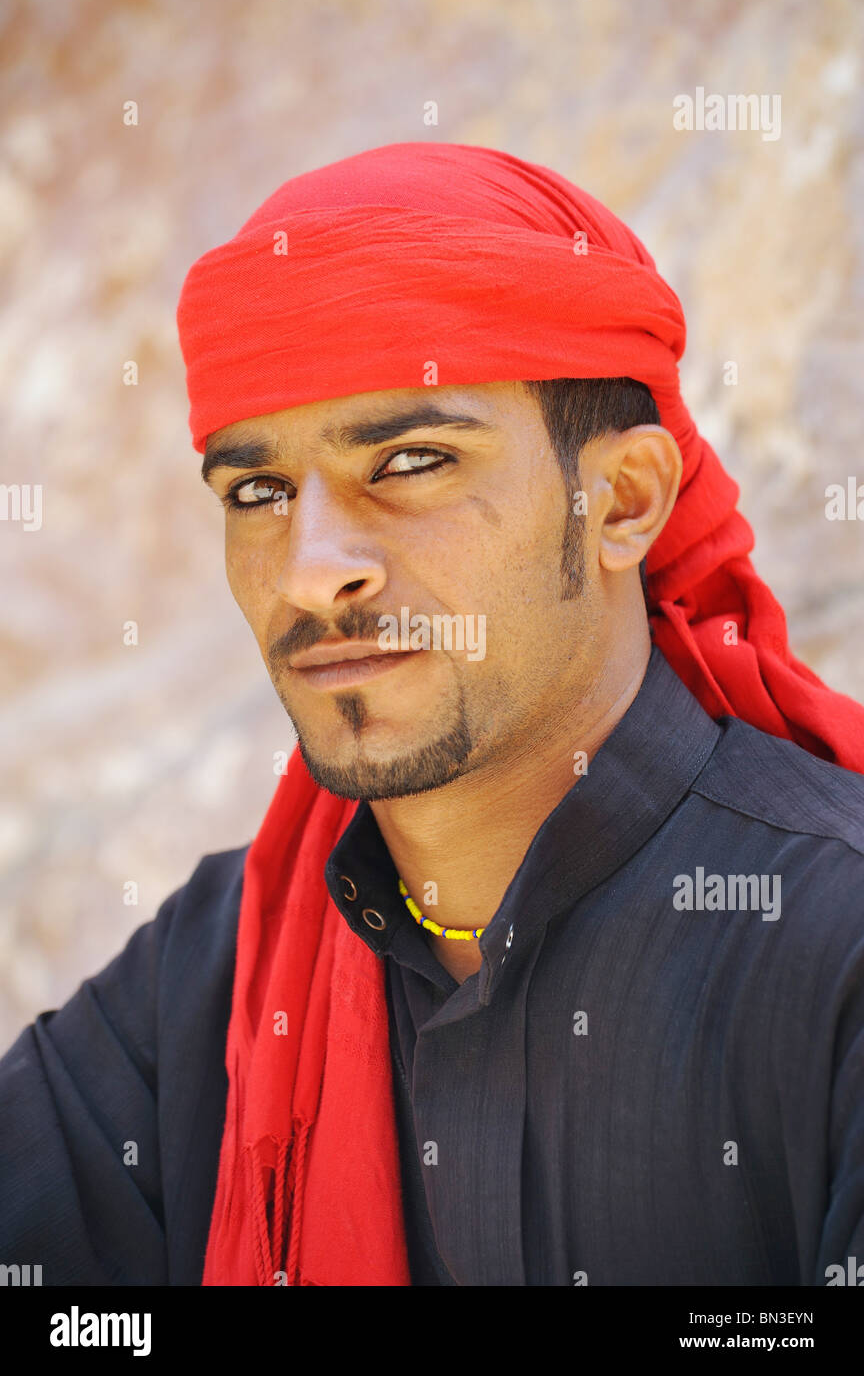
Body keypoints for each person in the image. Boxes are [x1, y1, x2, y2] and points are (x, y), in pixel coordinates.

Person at [1, 142, 863, 1287]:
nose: (314, 573)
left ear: (623, 499)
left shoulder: (834, 952)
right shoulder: (209, 980)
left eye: (410, 461)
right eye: (258, 492)